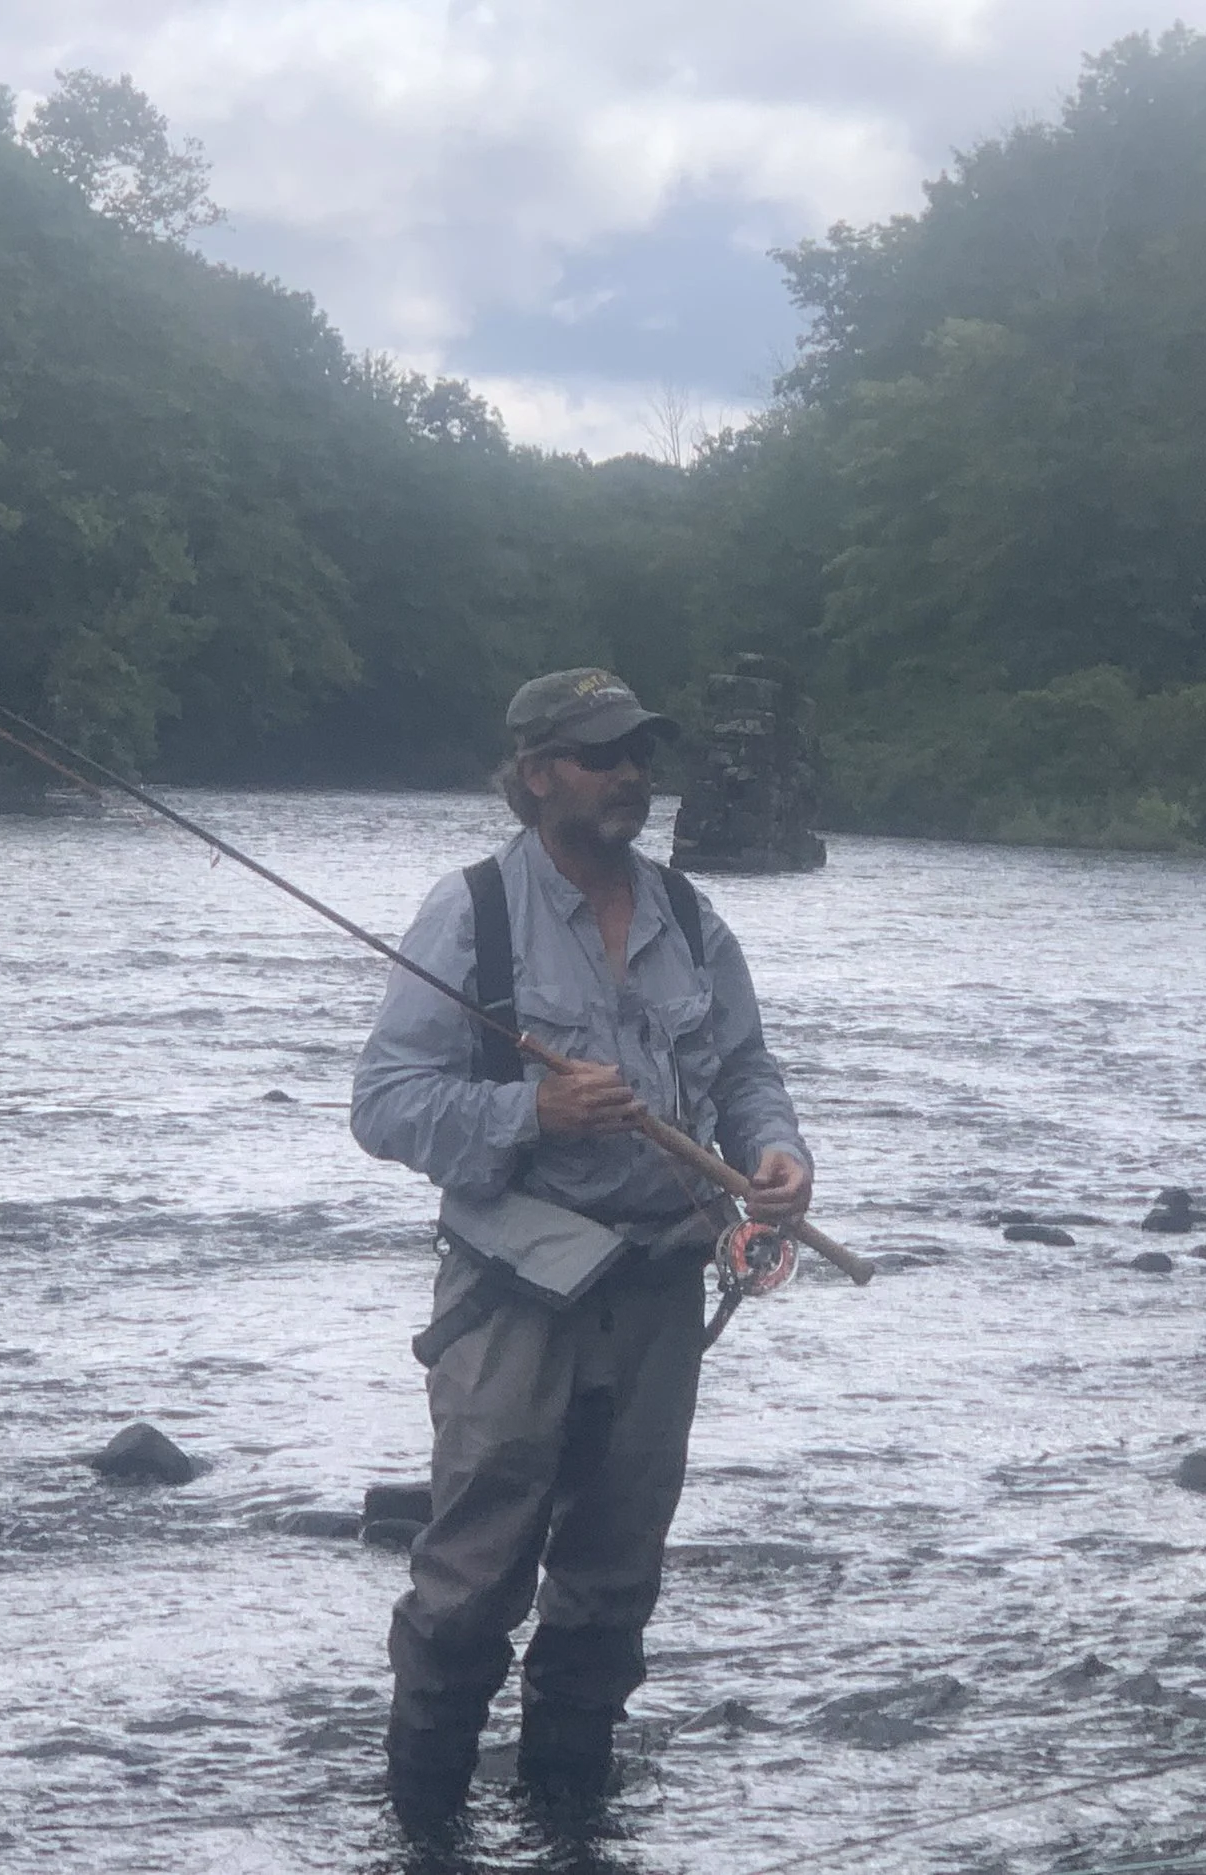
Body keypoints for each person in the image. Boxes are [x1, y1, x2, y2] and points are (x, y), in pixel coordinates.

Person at [350, 666, 814, 1836]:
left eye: (639, 754)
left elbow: (747, 1075)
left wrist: (775, 1158)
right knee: (473, 1579)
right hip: (513, 1295)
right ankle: (423, 1832)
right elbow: (386, 1106)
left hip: (661, 1288)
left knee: (613, 1581)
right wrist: (529, 1116)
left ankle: (569, 1821)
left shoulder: (693, 920)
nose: (630, 776)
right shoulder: (467, 915)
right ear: (538, 772)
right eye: (603, 755)